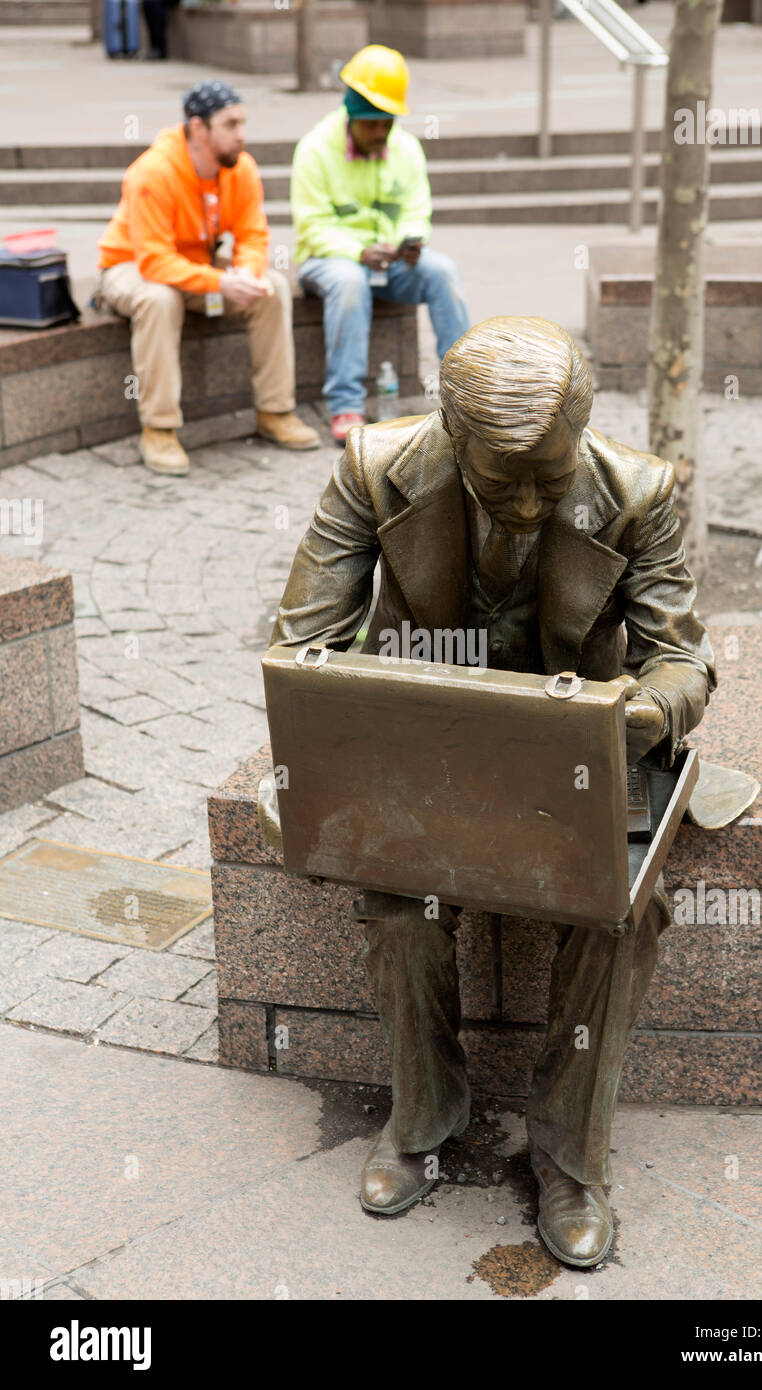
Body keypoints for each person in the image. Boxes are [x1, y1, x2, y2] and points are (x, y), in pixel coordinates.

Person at [266, 317, 717, 1267]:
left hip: (583, 751)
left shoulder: (636, 493)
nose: (524, 507)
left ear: (582, 440)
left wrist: (639, 715)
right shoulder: (374, 469)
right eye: (497, 480)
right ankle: (424, 1117)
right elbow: (301, 639)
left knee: (625, 912)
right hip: (427, 747)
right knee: (394, 900)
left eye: (550, 483)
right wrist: (368, 709)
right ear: (449, 432)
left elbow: (685, 661)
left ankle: (570, 1155)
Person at [97, 79, 320, 476]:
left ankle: (275, 412)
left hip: (196, 266)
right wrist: (220, 283)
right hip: (128, 265)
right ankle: (159, 428)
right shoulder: (152, 173)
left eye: (243, 123)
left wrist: (246, 275)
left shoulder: (242, 168)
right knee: (158, 299)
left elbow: (252, 235)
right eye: (231, 124)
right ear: (199, 128)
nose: (242, 135)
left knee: (273, 288)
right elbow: (153, 262)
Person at [291, 44, 471, 445]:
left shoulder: (405, 148)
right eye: (371, 124)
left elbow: (417, 208)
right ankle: (346, 404)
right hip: (329, 260)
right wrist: (358, 251)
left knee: (443, 272)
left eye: (387, 123)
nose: (380, 133)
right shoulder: (315, 150)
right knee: (349, 281)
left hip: (389, 261)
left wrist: (410, 240)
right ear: (351, 115)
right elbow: (311, 226)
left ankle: (465, 394)